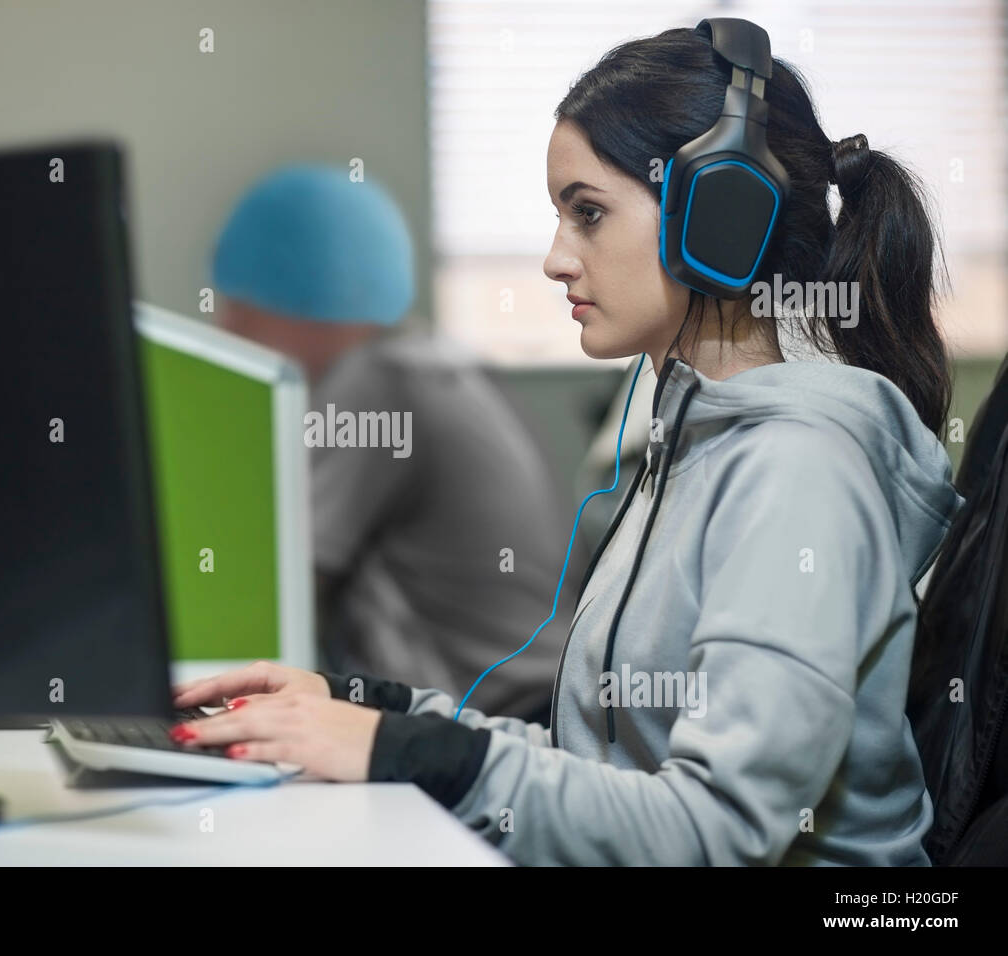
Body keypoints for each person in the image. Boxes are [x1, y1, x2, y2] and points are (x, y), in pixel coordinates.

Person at [169, 23, 965, 866]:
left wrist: (389, 752)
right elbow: (608, 774)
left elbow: (717, 831)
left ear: (720, 216)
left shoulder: (800, 467)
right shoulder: (691, 445)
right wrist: (360, 709)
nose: (556, 260)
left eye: (588, 213)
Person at [210, 164, 583, 721]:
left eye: (242, 309)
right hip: (547, 704)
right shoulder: (439, 363)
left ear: (304, 303)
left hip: (492, 721)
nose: (228, 330)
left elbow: (274, 592)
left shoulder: (381, 381)